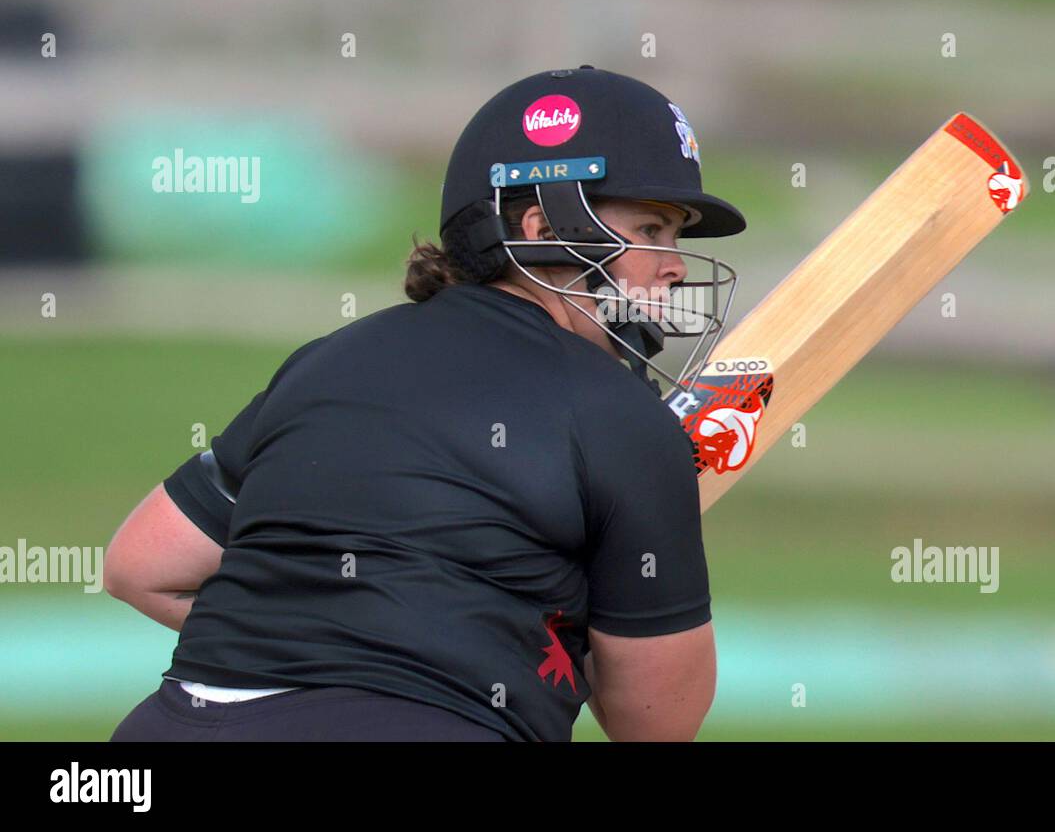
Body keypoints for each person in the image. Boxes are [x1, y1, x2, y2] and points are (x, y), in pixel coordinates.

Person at [105, 65, 747, 741]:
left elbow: (140, 567)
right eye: (650, 230)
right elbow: (655, 723)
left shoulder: (327, 360)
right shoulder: (624, 420)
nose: (674, 264)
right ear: (542, 226)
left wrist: (318, 631)